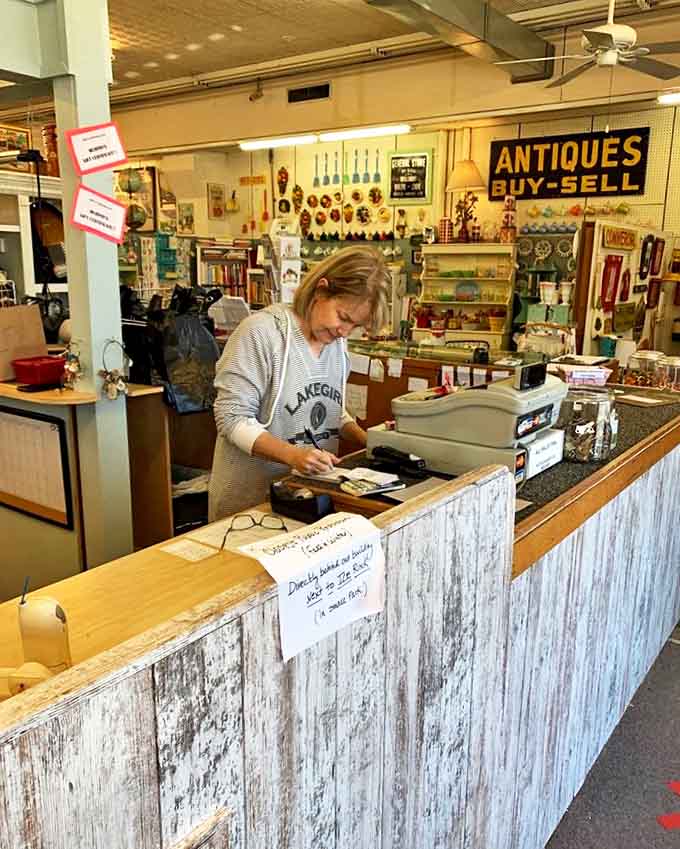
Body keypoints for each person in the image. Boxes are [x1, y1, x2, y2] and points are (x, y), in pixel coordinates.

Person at [208, 245, 391, 521]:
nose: (344, 332)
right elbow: (231, 418)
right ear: (321, 290)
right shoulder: (262, 334)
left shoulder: (335, 343)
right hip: (249, 508)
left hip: (307, 500)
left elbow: (329, 407)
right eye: (343, 317)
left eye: (354, 326)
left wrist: (368, 441)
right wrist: (292, 455)